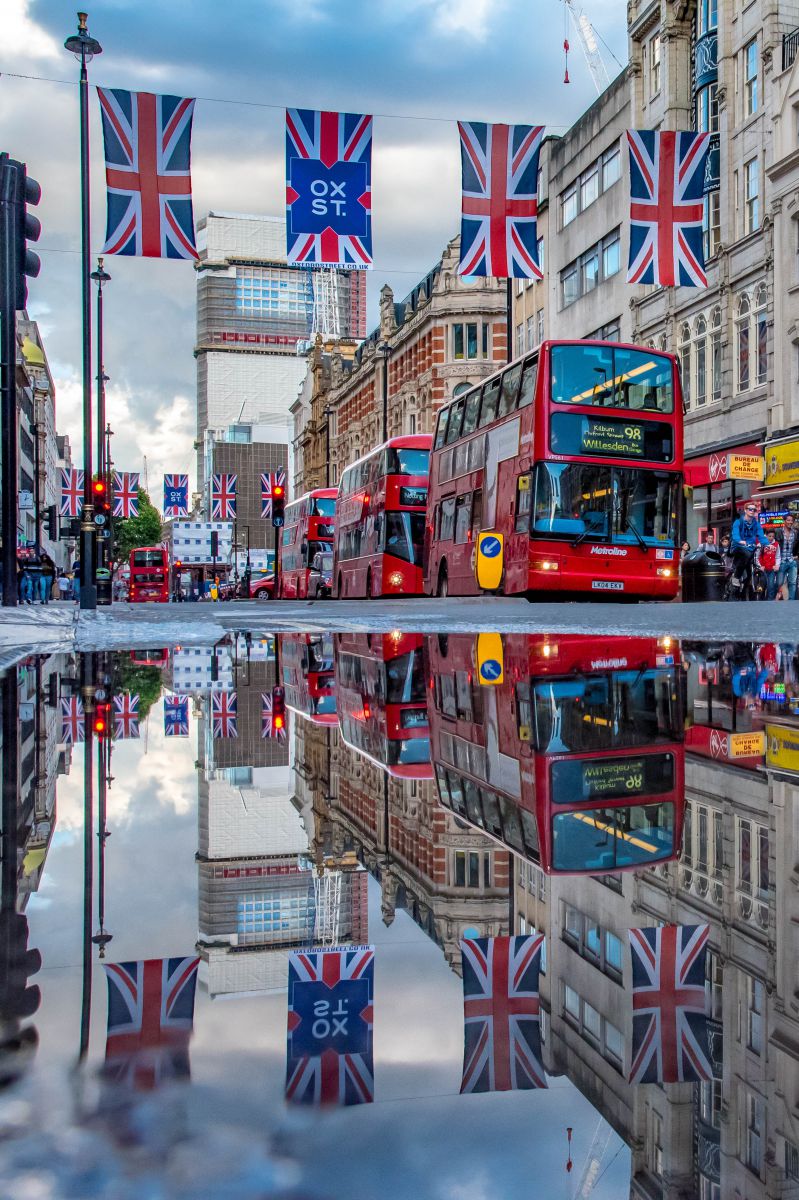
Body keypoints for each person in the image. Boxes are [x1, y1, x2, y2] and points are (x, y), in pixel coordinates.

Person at [729, 503, 768, 598]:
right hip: (738, 547)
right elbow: (735, 535)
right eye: (750, 509)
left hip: (750, 548)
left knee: (750, 573)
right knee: (745, 554)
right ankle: (736, 577)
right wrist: (740, 541)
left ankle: (742, 592)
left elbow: (761, 536)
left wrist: (767, 544)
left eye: (754, 510)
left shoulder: (756, 524)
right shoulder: (738, 522)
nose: (752, 511)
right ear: (745, 510)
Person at [776, 512, 799, 600]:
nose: (790, 522)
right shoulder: (778, 531)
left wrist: (797, 555)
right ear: (784, 521)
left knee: (792, 583)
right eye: (788, 520)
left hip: (791, 561)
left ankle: (791, 602)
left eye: (791, 521)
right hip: (781, 561)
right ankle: (777, 598)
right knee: (779, 583)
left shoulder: (795, 533)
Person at [757, 529, 781, 600]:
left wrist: (777, 565)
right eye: (769, 536)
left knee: (771, 586)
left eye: (773, 536)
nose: (771, 538)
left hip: (771, 569)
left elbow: (778, 556)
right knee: (762, 586)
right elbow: (757, 556)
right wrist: (760, 566)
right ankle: (760, 601)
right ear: (766, 536)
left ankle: (770, 602)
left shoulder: (776, 544)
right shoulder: (761, 544)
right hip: (763, 569)